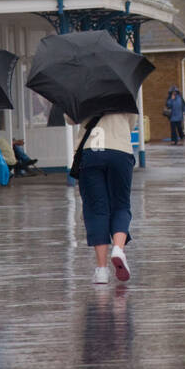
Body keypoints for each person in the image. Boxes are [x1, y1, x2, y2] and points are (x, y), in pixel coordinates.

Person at [73, 111, 139, 284]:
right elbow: (131, 122)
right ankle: (118, 249)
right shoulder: (124, 89)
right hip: (120, 151)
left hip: (91, 150)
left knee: (96, 210)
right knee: (121, 205)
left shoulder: (83, 87)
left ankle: (102, 270)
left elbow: (71, 117)